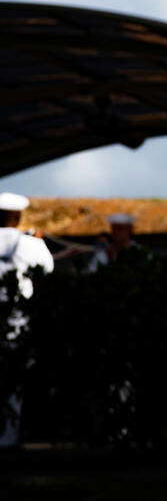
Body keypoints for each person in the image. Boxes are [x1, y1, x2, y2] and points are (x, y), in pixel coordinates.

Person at [0, 192, 54, 448]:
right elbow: (47, 271)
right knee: (14, 380)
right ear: (17, 216)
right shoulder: (31, 244)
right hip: (18, 321)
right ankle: (9, 438)